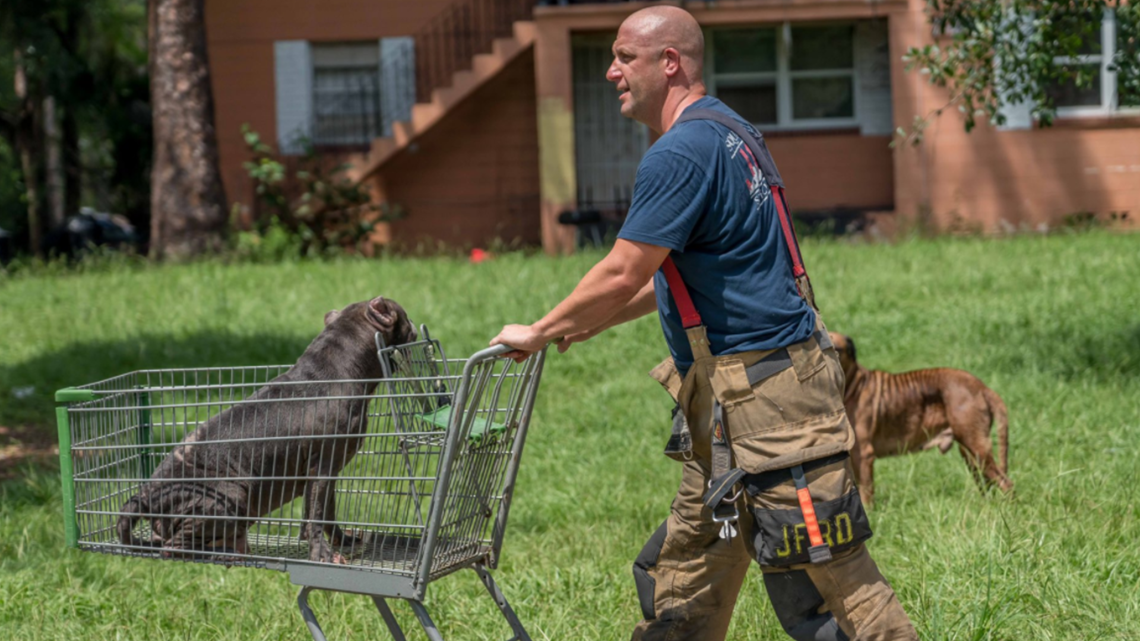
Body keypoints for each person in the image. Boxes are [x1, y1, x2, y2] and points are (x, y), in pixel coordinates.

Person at [491, 6, 918, 640]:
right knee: (684, 579)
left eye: (624, 58)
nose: (612, 71)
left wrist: (539, 329)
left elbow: (623, 270)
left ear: (670, 63)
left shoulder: (679, 154)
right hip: (726, 419)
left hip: (774, 420)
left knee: (835, 589)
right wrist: (584, 324)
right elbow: (682, 269)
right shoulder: (732, 131)